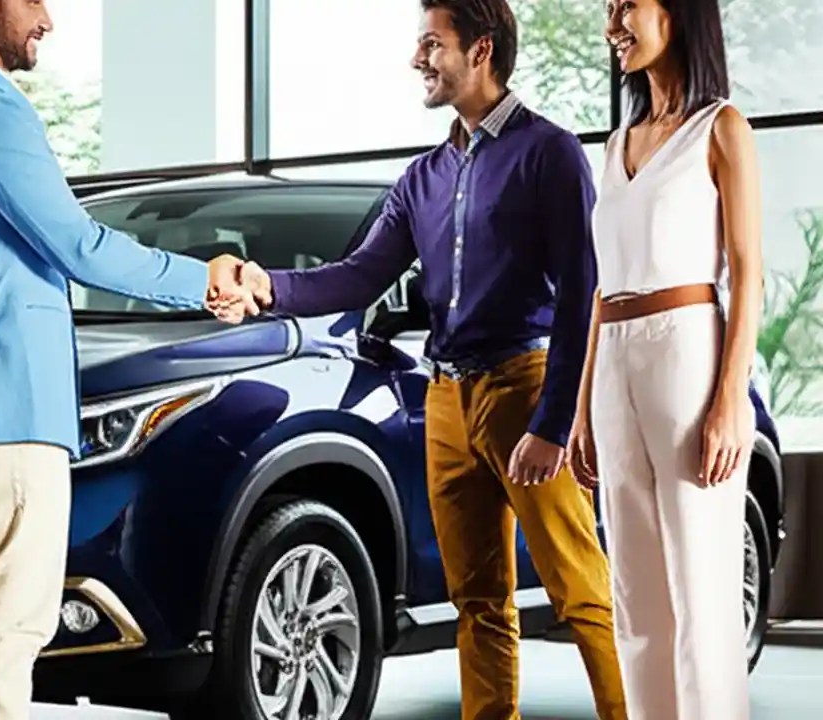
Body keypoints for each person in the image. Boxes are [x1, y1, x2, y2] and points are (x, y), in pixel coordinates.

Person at [220, 1, 628, 718]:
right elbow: (356, 275)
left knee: (581, 590)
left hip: (523, 390)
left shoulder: (549, 152)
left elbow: (581, 293)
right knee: (478, 600)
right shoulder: (423, 177)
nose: (418, 60)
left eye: (431, 44)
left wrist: (555, 422)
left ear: (481, 51)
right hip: (445, 399)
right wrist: (267, 286)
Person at [0, 1, 254, 718]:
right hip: (8, 406)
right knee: (11, 625)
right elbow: (77, 245)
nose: (48, 19)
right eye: (34, 1)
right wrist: (201, 280)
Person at [566, 1, 762, 717]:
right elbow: (600, 286)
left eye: (627, 5)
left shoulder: (722, 130)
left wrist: (730, 400)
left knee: (700, 595)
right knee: (636, 602)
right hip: (614, 359)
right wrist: (585, 407)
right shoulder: (617, 145)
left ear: (677, 13)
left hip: (687, 352)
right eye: (609, 8)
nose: (613, 21)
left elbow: (748, 275)